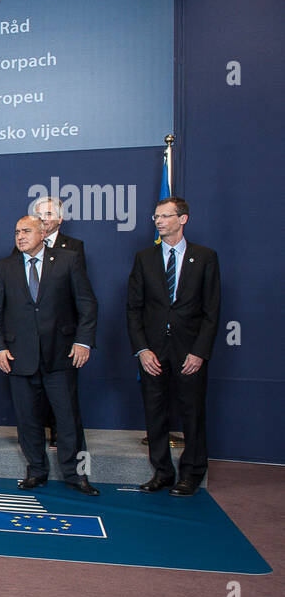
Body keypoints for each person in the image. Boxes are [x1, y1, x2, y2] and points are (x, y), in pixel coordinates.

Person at [0, 215, 99, 495]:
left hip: (60, 356)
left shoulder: (68, 260)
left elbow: (87, 304)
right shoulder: (4, 267)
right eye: (16, 232)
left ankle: (76, 475)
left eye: (26, 231)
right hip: (18, 358)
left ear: (43, 231)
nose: (20, 236)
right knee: (27, 419)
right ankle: (36, 470)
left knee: (68, 418)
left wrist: (83, 342)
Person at [126, 197, 221, 496]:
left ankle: (191, 473)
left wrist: (200, 351)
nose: (158, 221)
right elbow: (133, 309)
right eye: (155, 216)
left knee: (192, 413)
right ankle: (163, 472)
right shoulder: (144, 258)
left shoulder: (205, 257)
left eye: (165, 216)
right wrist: (142, 350)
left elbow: (212, 311)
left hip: (189, 351)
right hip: (153, 351)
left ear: (183, 219)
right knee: (155, 413)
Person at [19, 197, 86, 449]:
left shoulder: (73, 249)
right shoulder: (22, 247)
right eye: (39, 214)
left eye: (48, 214)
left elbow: (80, 297)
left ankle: (72, 462)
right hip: (29, 344)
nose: (43, 219)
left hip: (60, 341)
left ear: (59, 218)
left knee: (65, 404)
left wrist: (80, 339)